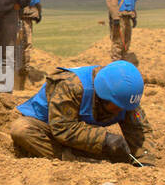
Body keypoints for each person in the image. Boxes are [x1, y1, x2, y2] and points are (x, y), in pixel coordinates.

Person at [10, 60, 152, 163]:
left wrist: (145, 162)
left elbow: (140, 130)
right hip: (48, 127)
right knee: (21, 129)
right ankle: (71, 160)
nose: (123, 111)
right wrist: (105, 139)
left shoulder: (124, 96)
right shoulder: (72, 86)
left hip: (78, 132)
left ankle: (86, 156)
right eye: (118, 107)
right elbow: (62, 129)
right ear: (103, 96)